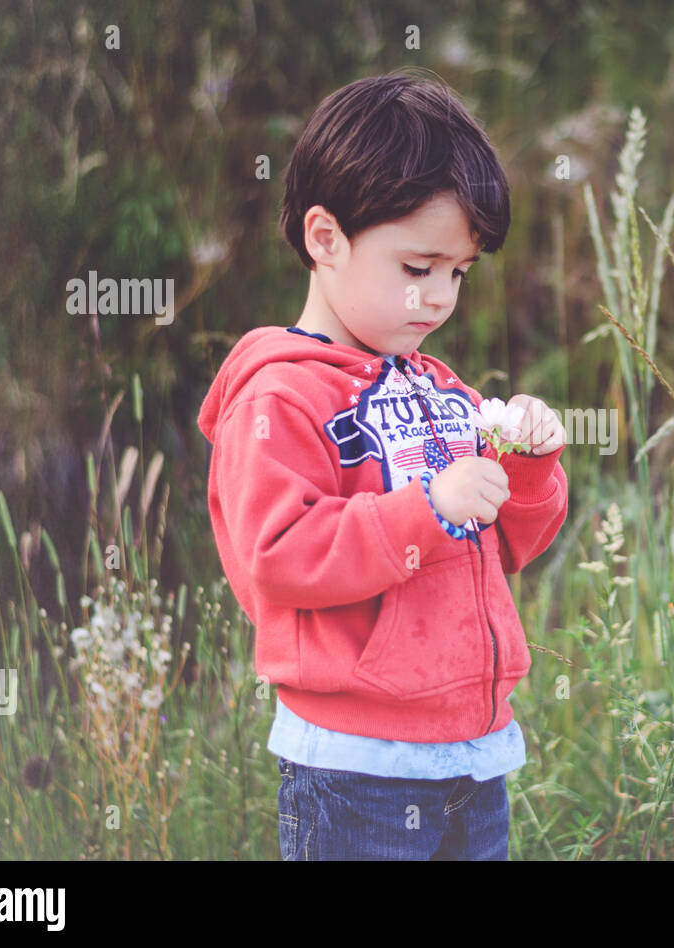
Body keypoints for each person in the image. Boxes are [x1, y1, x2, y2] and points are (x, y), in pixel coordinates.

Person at [196, 70, 568, 860]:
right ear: (325, 238)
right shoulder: (279, 396)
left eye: (458, 274)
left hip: (473, 750)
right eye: (417, 268)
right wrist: (427, 507)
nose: (438, 297)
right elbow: (277, 556)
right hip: (357, 766)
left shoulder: (440, 389)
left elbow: (507, 548)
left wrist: (527, 467)